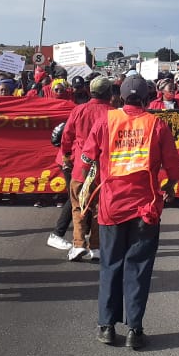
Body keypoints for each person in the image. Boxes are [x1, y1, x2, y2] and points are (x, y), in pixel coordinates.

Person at [76, 75, 179, 349]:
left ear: (119, 97)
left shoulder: (106, 121)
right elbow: (175, 167)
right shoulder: (157, 125)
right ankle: (135, 329)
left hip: (111, 208)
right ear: (147, 98)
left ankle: (107, 327)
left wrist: (79, 187)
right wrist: (169, 186)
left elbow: (86, 159)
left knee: (110, 266)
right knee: (138, 268)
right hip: (145, 210)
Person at [59, 76, 115, 261]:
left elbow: (66, 136)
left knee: (78, 206)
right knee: (100, 209)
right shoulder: (115, 114)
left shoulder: (79, 110)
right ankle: (96, 247)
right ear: (109, 93)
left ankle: (78, 244)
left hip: (81, 167)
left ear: (90, 92)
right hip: (105, 170)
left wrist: (66, 156)